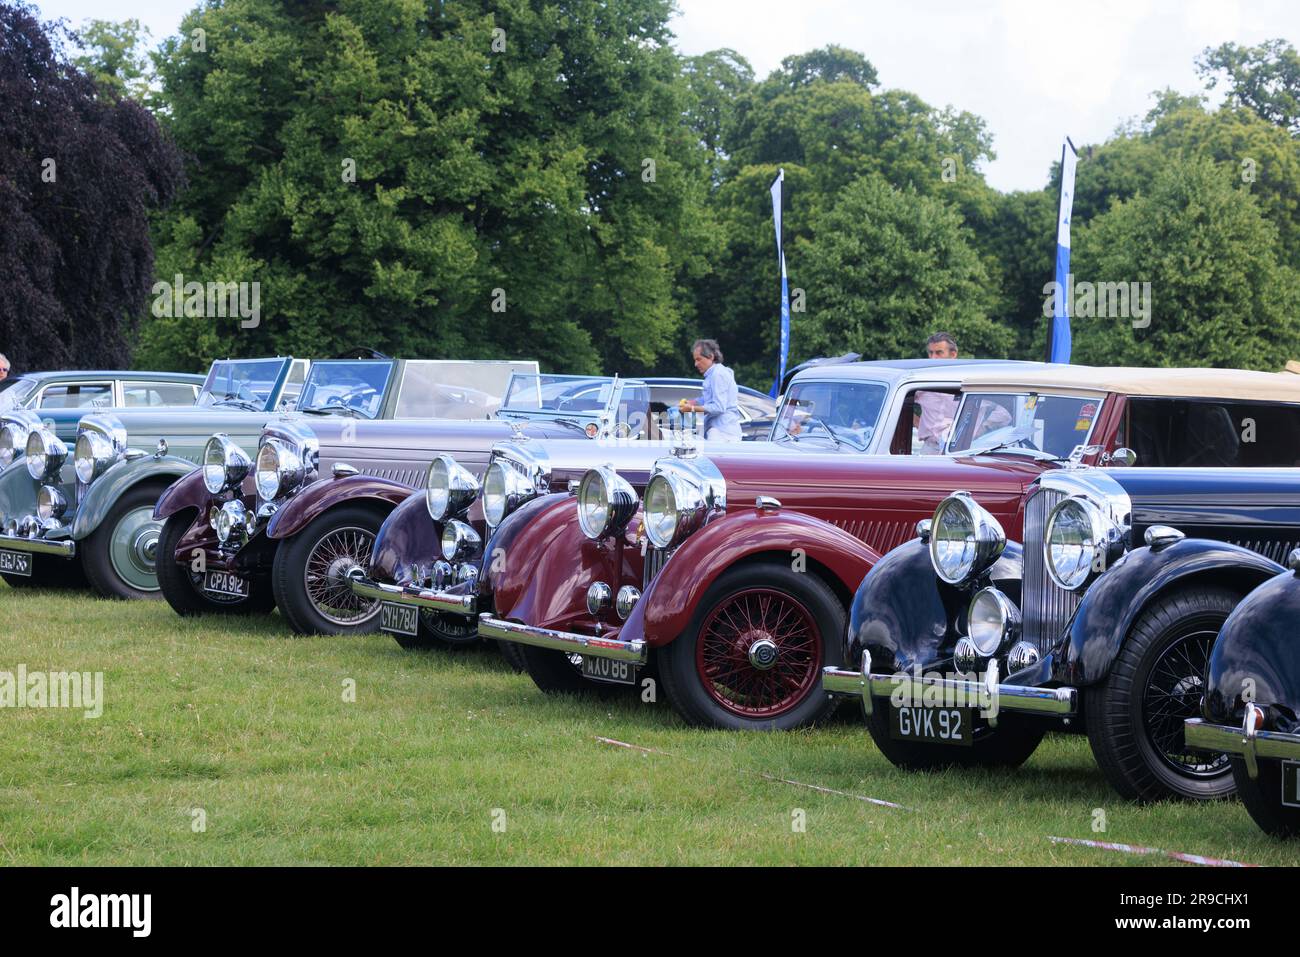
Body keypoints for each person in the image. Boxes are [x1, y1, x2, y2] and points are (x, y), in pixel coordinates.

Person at [678, 339, 743, 441]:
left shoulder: (718, 375)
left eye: (699, 359)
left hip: (723, 433)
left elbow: (719, 407)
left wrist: (692, 409)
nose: (695, 364)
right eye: (695, 360)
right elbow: (710, 399)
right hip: (719, 431)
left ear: (711, 357)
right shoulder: (714, 374)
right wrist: (694, 402)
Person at [914, 332, 961, 453]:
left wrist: (984, 428)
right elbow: (898, 404)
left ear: (953, 354)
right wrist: (918, 422)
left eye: (939, 353)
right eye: (930, 353)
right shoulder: (921, 380)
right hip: (930, 448)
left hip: (962, 448)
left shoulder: (966, 381)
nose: (933, 358)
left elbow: (1001, 411)